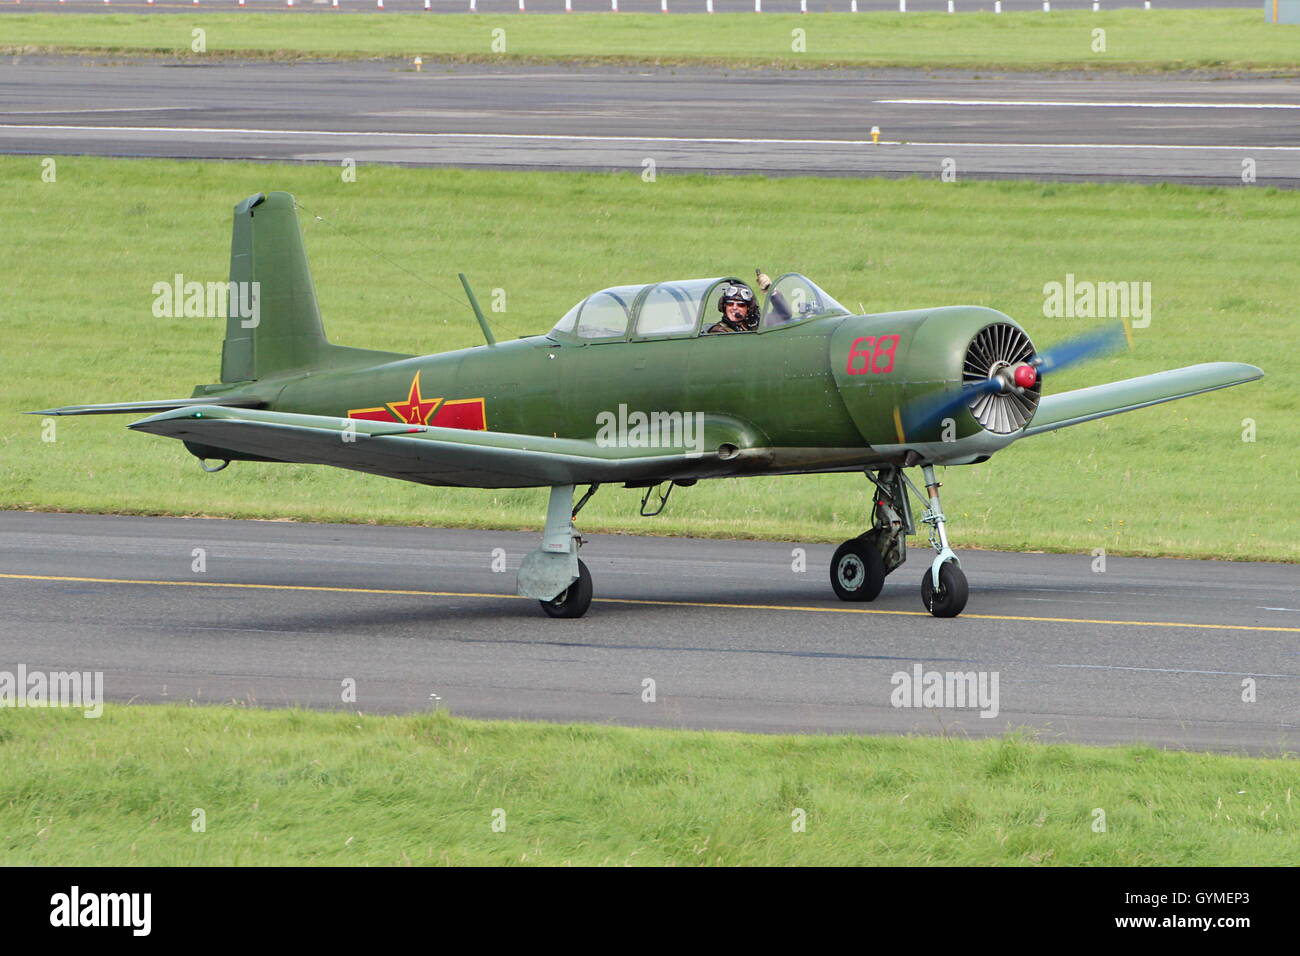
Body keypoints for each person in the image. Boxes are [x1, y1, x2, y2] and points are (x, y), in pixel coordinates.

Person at [705, 272, 791, 334]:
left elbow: (784, 314)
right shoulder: (720, 331)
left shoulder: (755, 323)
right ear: (724, 307)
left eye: (740, 305)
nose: (734, 307)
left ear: (749, 308)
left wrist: (771, 291)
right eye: (730, 304)